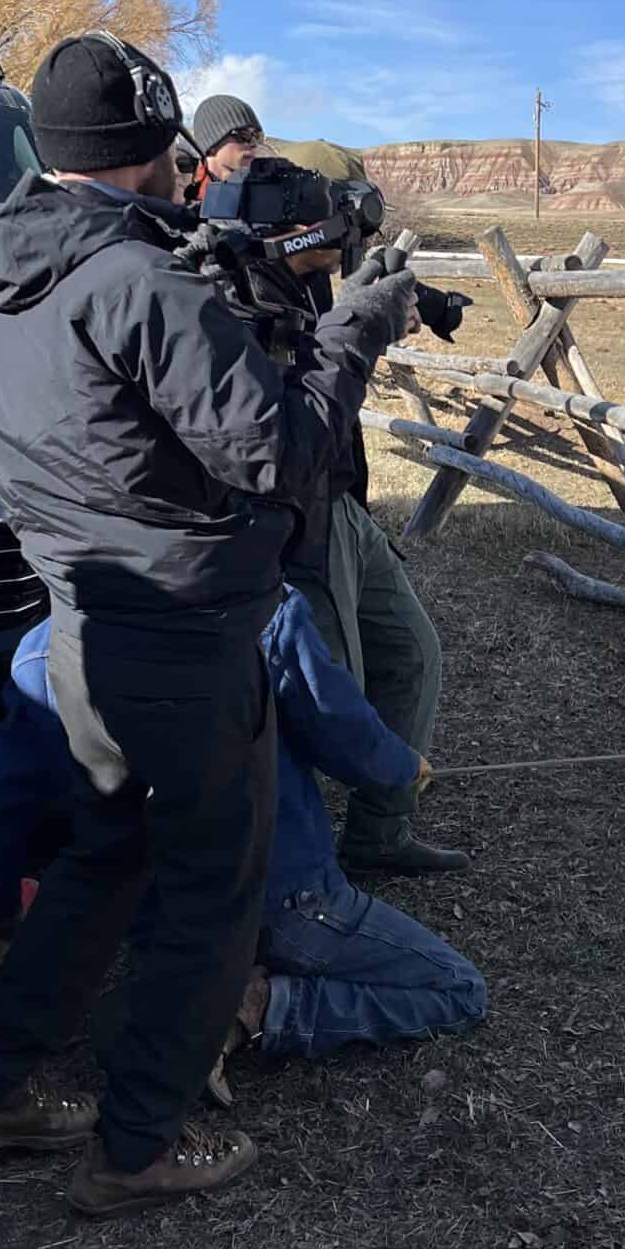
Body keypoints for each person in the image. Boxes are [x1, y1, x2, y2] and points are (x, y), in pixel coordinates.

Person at [0, 33, 419, 1217]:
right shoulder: (134, 284)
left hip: (83, 622)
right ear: (156, 145)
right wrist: (354, 327)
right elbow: (281, 455)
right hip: (186, 635)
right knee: (213, 885)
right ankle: (139, 1140)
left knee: (107, 853)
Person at [0, 592, 486, 1079]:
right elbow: (343, 733)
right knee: (458, 988)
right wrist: (402, 768)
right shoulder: (264, 611)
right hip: (282, 895)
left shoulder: (39, 654)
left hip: (163, 920)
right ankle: (253, 1008)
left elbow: (2, 803)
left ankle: (179, 1003)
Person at [190, 90, 464, 880]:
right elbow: (269, 414)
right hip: (286, 514)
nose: (249, 149)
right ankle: (293, 874)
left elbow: (336, 343)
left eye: (254, 136)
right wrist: (341, 312)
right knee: (315, 694)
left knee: (411, 654)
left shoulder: (307, 272)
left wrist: (403, 301)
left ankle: (380, 834)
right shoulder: (212, 273)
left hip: (340, 497)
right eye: (234, 141)